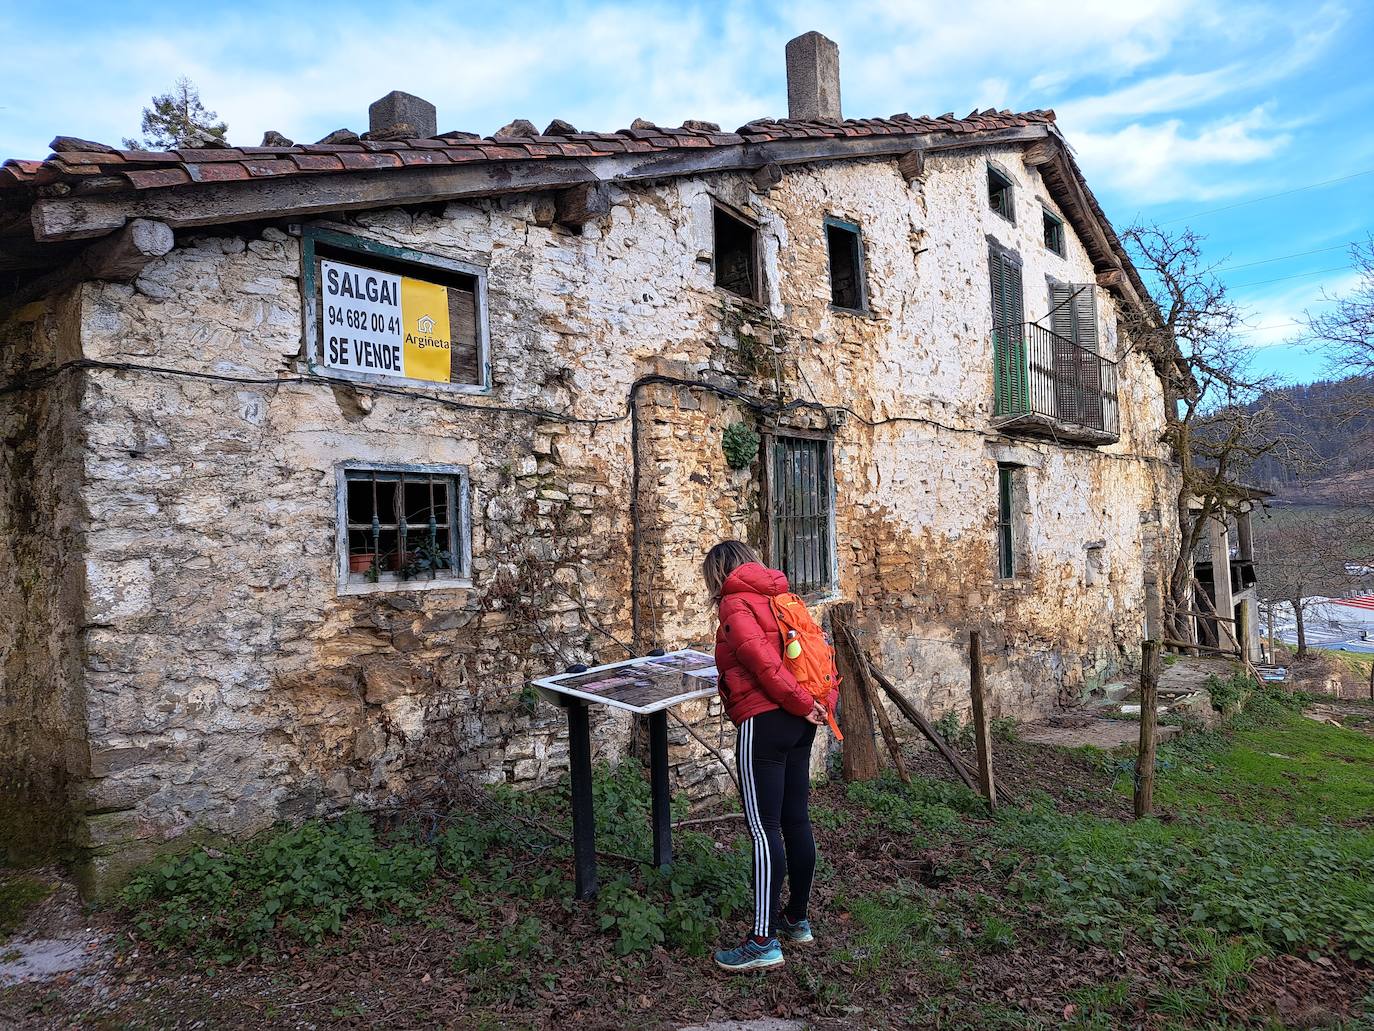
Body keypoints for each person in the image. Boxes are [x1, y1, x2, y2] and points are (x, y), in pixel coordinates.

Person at [702, 540, 834, 972]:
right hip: (801, 723)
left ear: (719, 573)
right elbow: (819, 653)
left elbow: (762, 665)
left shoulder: (735, 604)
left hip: (766, 721)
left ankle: (762, 940)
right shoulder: (781, 596)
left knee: (764, 829)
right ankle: (796, 919)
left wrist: (797, 702)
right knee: (796, 819)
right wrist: (817, 704)